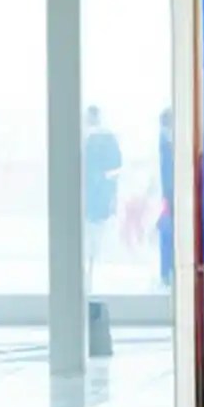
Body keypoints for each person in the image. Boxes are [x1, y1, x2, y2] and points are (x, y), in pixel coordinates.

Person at [84, 105, 122, 293]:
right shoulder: (102, 139)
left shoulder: (91, 140)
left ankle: (92, 268)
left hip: (94, 196)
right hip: (96, 196)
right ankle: (91, 267)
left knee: (93, 233)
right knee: (94, 233)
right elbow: (116, 166)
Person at [157, 108, 174, 289]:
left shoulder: (166, 141)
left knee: (168, 233)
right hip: (170, 195)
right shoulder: (165, 142)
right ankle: (166, 272)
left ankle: (167, 272)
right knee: (168, 232)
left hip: (170, 195)